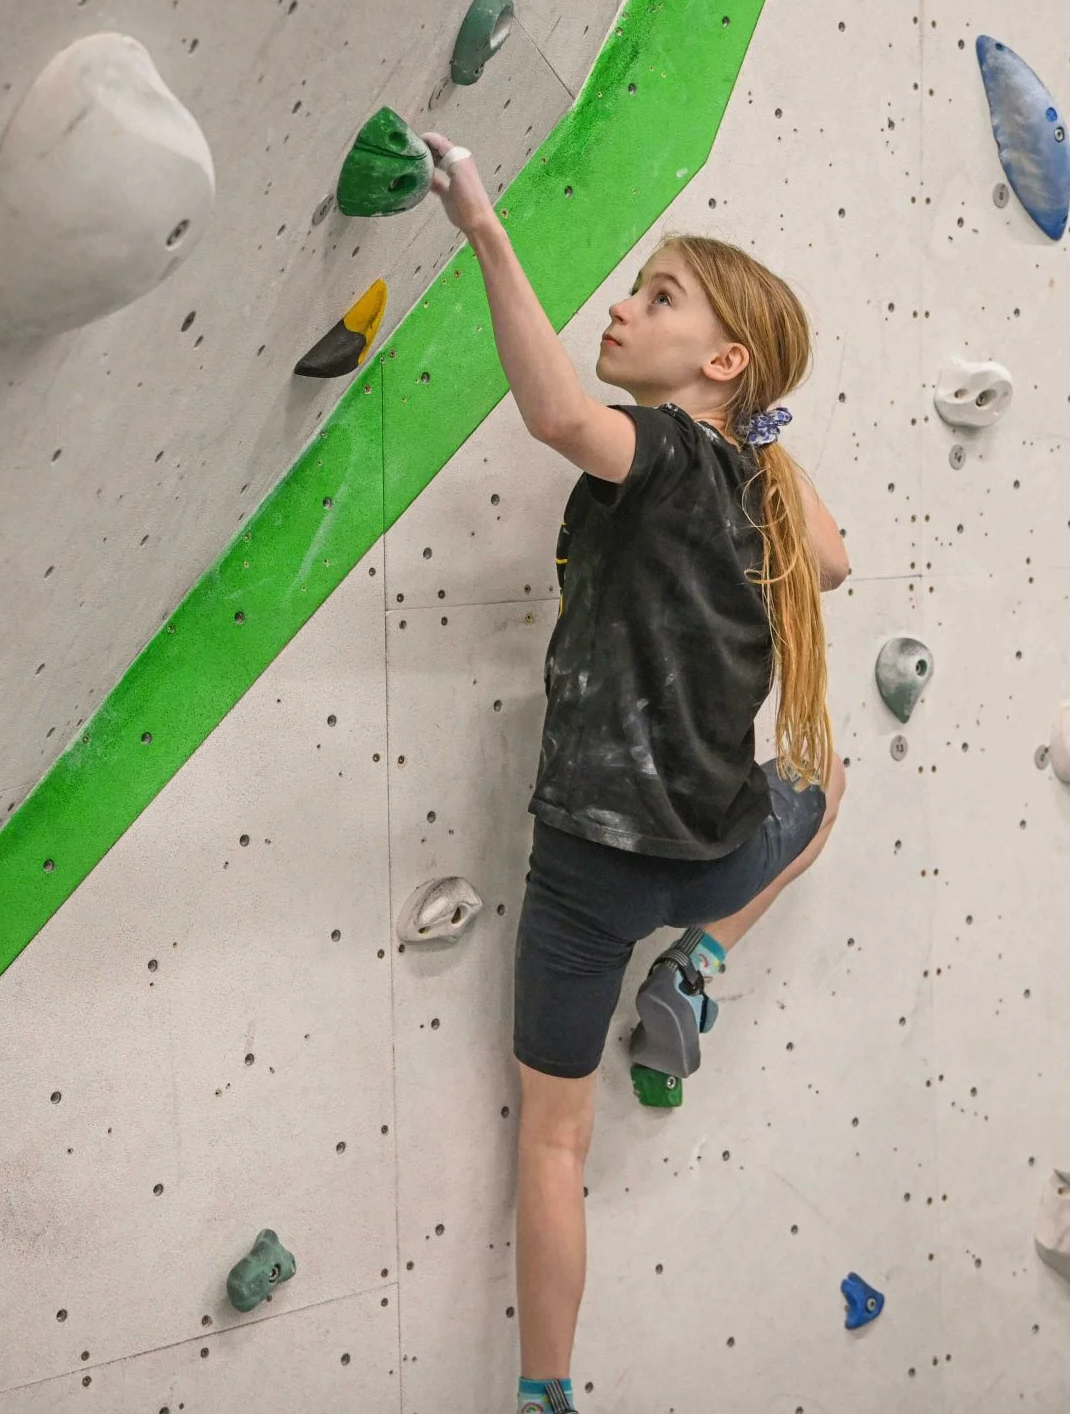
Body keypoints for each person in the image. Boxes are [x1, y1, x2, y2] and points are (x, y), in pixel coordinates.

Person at [422, 132, 850, 1414]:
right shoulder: (746, 484)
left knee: (553, 1145)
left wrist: (486, 234)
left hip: (581, 883)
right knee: (824, 779)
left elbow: (556, 412)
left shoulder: (664, 458)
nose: (621, 304)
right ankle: (703, 959)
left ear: (717, 363)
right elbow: (831, 561)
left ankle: (543, 1395)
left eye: (657, 297)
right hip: (710, 849)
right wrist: (764, 423)